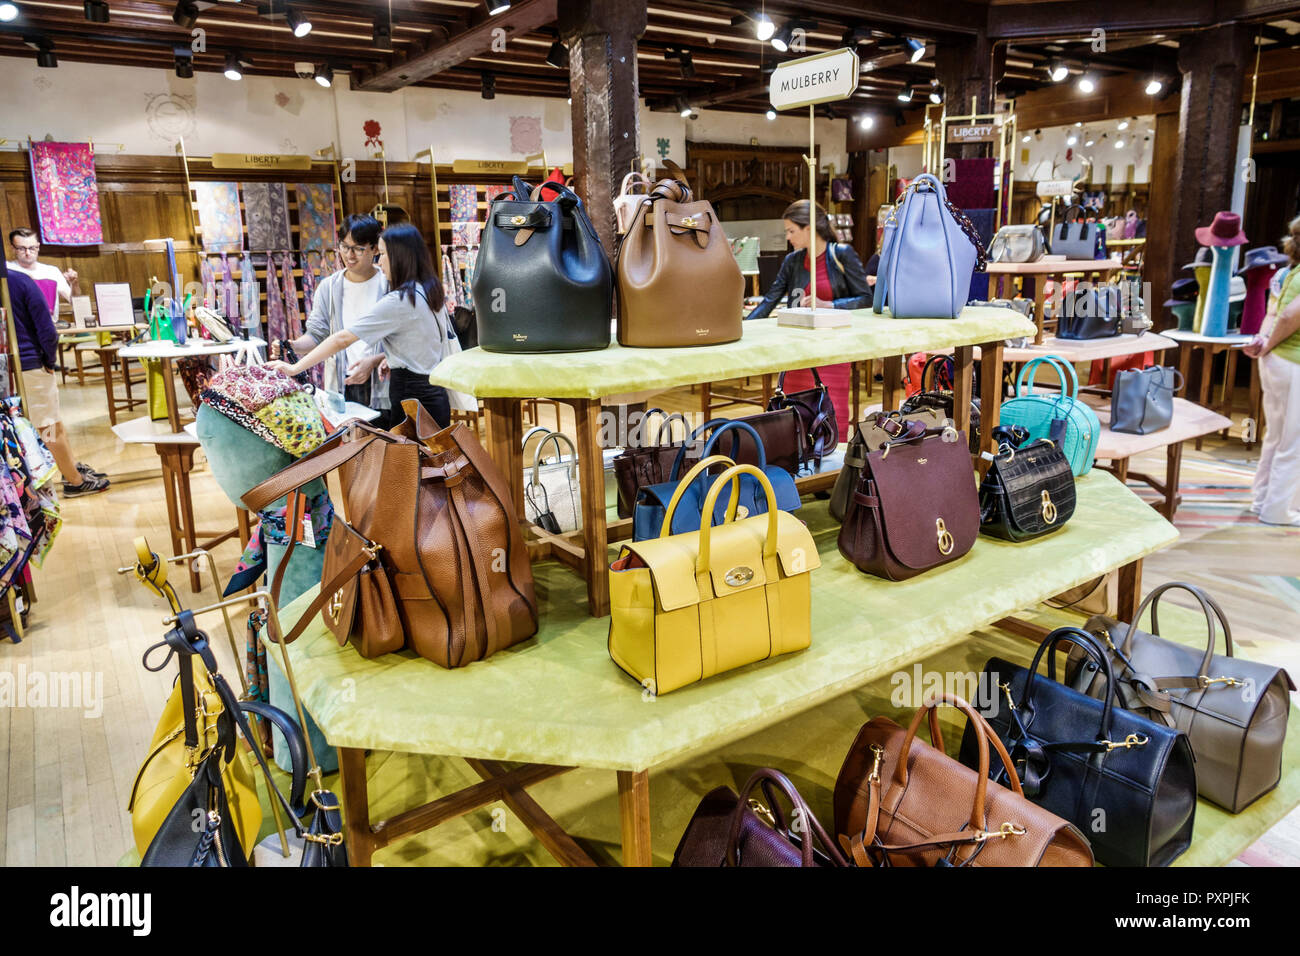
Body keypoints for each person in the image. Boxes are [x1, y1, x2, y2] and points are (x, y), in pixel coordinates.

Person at [267, 222, 455, 428]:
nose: (380, 261)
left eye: (382, 254)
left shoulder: (399, 299)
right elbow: (418, 343)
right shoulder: (426, 290)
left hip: (411, 395)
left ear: (398, 257)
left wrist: (294, 368)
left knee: (407, 458)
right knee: (428, 457)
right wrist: (385, 357)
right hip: (432, 392)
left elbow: (342, 339)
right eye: (345, 247)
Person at [746, 200, 873, 442]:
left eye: (791, 231)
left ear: (809, 228)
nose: (788, 237)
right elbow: (770, 300)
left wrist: (830, 306)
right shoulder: (792, 261)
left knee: (830, 414)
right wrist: (744, 329)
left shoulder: (841, 255)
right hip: (798, 351)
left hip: (833, 352)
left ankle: (832, 471)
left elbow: (865, 299)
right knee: (795, 416)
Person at [4, 269, 108, 496]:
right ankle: (74, 481)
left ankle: (70, 467)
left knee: (53, 424)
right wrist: (49, 360)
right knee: (48, 427)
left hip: (13, 364)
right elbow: (47, 330)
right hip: (31, 364)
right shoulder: (20, 281)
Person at [288, 214, 389, 422]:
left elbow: (402, 339)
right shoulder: (329, 287)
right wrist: (294, 346)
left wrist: (374, 361)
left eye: (358, 249)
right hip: (344, 383)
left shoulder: (388, 284)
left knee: (387, 446)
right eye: (344, 247)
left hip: (384, 382)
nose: (349, 255)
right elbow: (317, 334)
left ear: (375, 248)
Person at [1244, 215, 1300, 527]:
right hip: (1292, 361)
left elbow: (1275, 311)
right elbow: (1291, 315)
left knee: (1277, 436)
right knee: (1293, 441)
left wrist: (1265, 343)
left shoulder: (1290, 273)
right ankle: (1279, 509)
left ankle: (1263, 499)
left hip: (1279, 361)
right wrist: (1268, 344)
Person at [8, 227, 79, 326]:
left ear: (38, 246)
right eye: (21, 248)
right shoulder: (7, 269)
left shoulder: (52, 271)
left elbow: (76, 303)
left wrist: (74, 283)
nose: (28, 253)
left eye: (32, 248)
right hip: (19, 329)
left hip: (48, 327)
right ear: (13, 248)